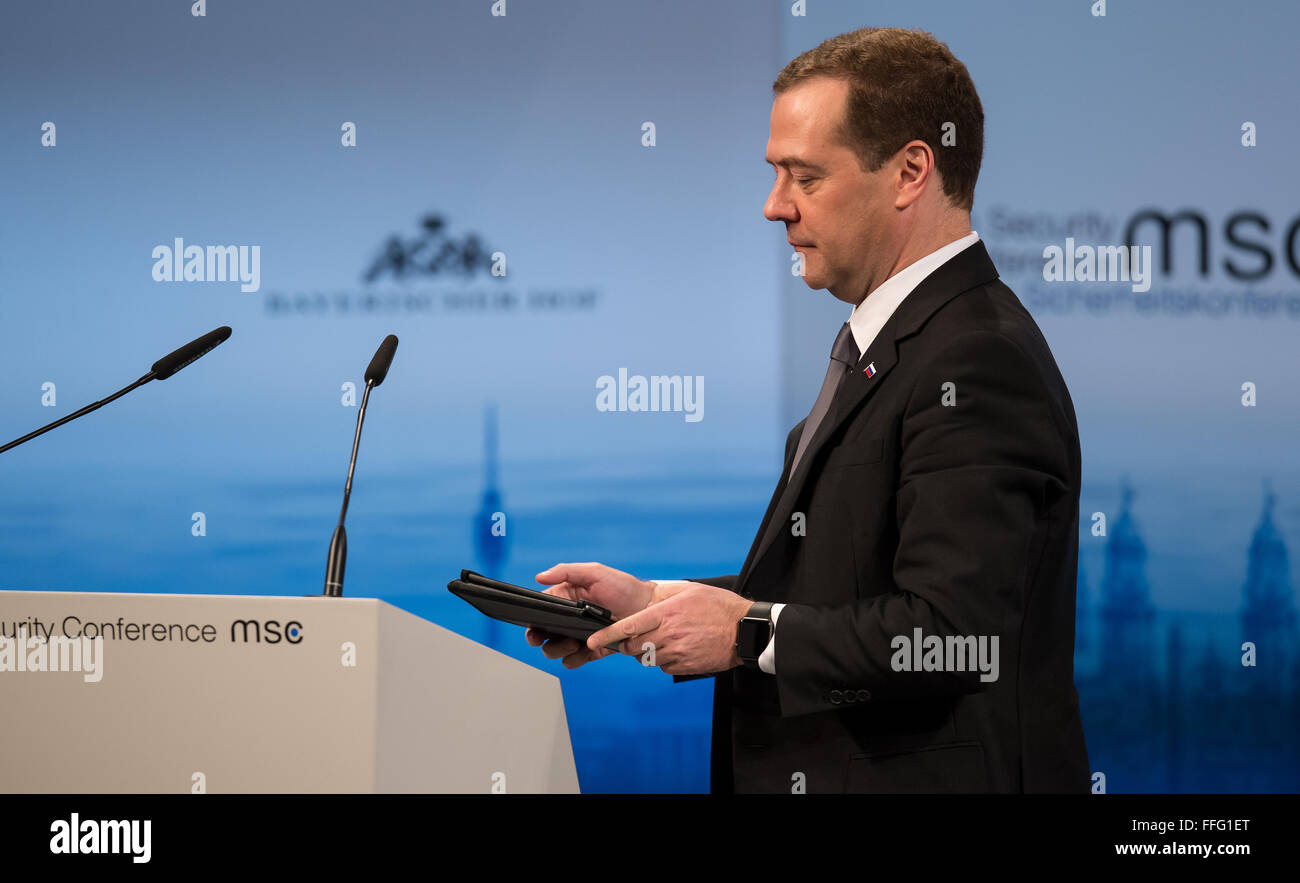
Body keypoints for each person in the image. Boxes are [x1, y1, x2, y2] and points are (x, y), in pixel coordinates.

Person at [526, 26, 1089, 793]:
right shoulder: (893, 342)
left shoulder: (974, 357)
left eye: (804, 176)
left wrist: (748, 632)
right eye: (775, 173)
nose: (773, 206)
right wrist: (659, 605)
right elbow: (848, 588)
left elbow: (960, 636)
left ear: (909, 172)